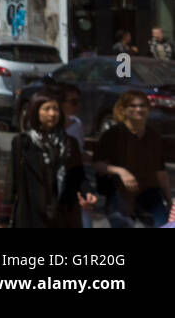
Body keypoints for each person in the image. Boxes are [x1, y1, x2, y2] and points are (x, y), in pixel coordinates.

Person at [10, 92, 96, 228]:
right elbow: (15, 181)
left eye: (55, 109)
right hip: (33, 212)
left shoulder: (69, 143)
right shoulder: (22, 142)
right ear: (35, 111)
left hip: (63, 211)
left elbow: (78, 175)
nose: (52, 114)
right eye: (46, 109)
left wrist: (87, 192)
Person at [95, 90, 172, 227]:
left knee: (164, 225)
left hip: (150, 193)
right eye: (133, 106)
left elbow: (160, 172)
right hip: (120, 192)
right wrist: (120, 171)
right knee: (122, 223)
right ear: (123, 110)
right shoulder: (112, 134)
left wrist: (169, 201)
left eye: (143, 106)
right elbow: (97, 164)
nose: (139, 109)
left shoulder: (154, 136)